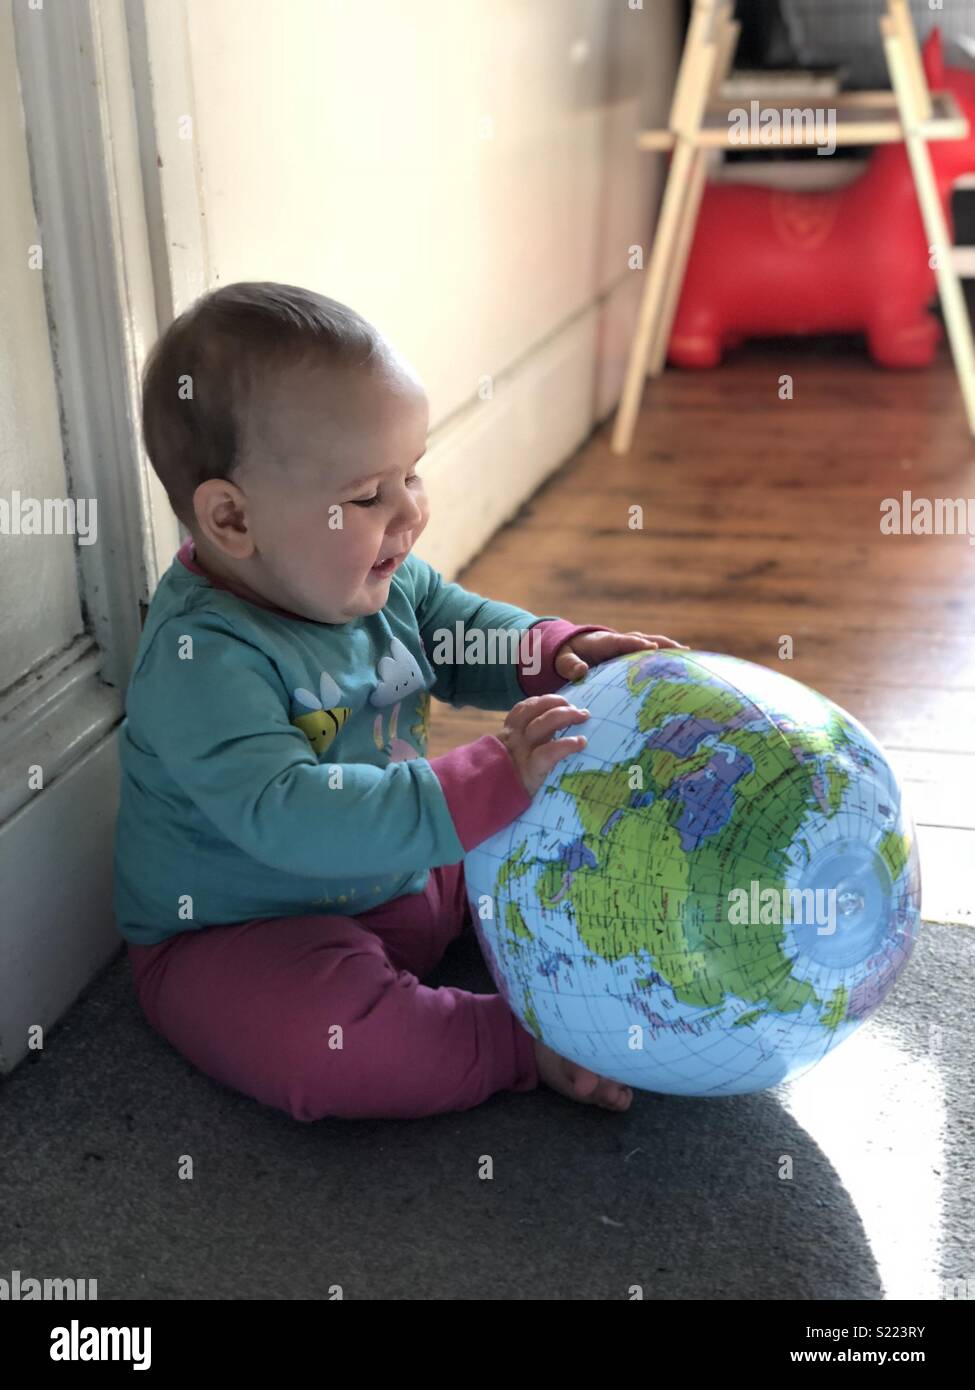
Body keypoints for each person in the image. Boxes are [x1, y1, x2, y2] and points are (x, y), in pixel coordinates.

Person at [115, 281, 686, 1122]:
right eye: (368, 494)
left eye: (411, 474)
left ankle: (616, 950)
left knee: (558, 823)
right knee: (319, 1046)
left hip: (414, 869)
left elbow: (453, 625)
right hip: (245, 933)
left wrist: (548, 654)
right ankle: (513, 1040)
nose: (411, 511)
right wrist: (486, 776)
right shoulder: (201, 658)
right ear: (232, 519)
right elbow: (292, 815)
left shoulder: (363, 574)